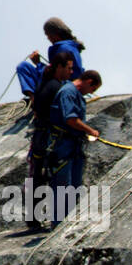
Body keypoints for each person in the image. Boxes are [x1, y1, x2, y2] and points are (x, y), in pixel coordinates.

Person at [41, 70, 103, 227]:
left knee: (74, 186)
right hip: (63, 145)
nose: (92, 93)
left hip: (73, 145)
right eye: (93, 89)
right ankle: (58, 224)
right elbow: (71, 119)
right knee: (62, 185)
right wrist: (90, 131)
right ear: (89, 82)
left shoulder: (76, 94)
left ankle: (67, 223)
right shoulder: (68, 92)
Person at [26, 51, 74, 223]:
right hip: (49, 137)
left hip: (41, 136)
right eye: (68, 68)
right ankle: (46, 217)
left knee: (38, 176)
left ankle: (33, 218)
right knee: (50, 177)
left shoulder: (46, 83)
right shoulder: (55, 87)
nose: (71, 72)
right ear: (59, 67)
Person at [16, 17, 86, 98]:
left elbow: (57, 74)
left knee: (23, 66)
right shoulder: (68, 46)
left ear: (55, 34)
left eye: (47, 34)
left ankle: (33, 99)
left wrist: (38, 63)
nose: (48, 38)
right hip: (59, 83)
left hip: (62, 86)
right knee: (24, 66)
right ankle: (34, 97)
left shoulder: (64, 48)